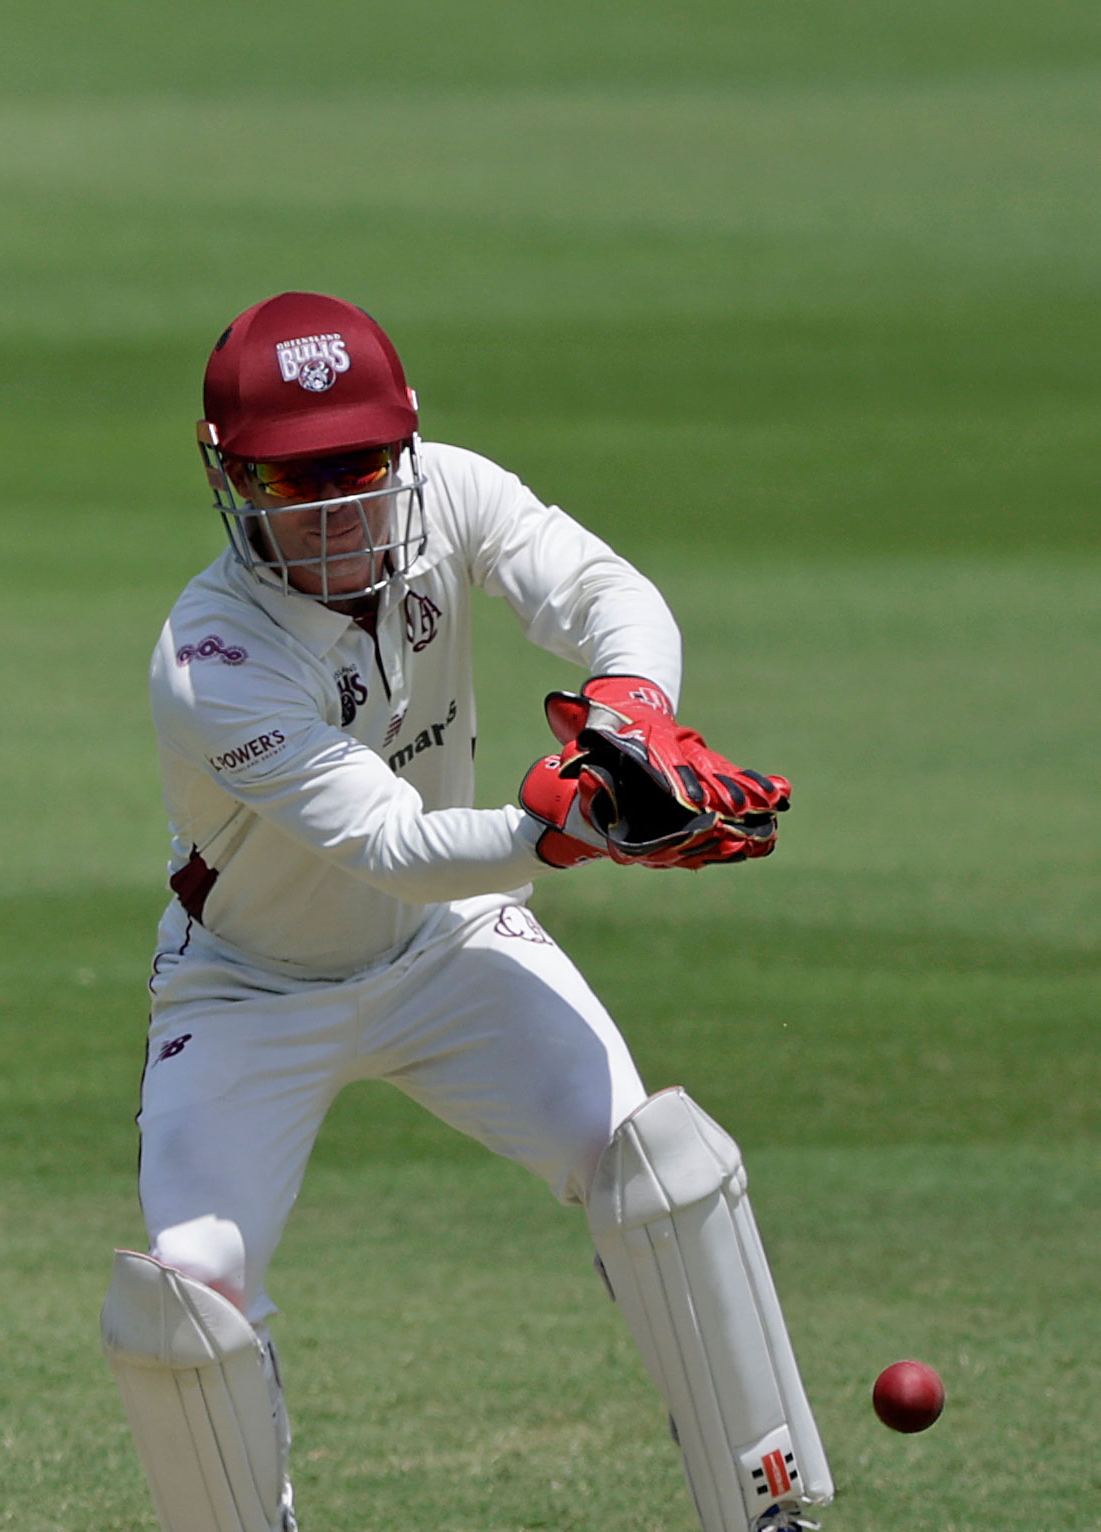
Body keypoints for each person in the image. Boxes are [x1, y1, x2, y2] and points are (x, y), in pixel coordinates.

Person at [96, 292, 826, 1532]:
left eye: (358, 466)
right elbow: (386, 840)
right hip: (248, 992)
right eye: (291, 481)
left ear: (407, 440)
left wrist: (629, 717)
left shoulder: (448, 494)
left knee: (656, 1165)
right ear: (227, 478)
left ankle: (767, 1508)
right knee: (189, 1295)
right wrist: (565, 828)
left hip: (454, 948)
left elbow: (604, 589)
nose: (333, 507)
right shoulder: (209, 660)